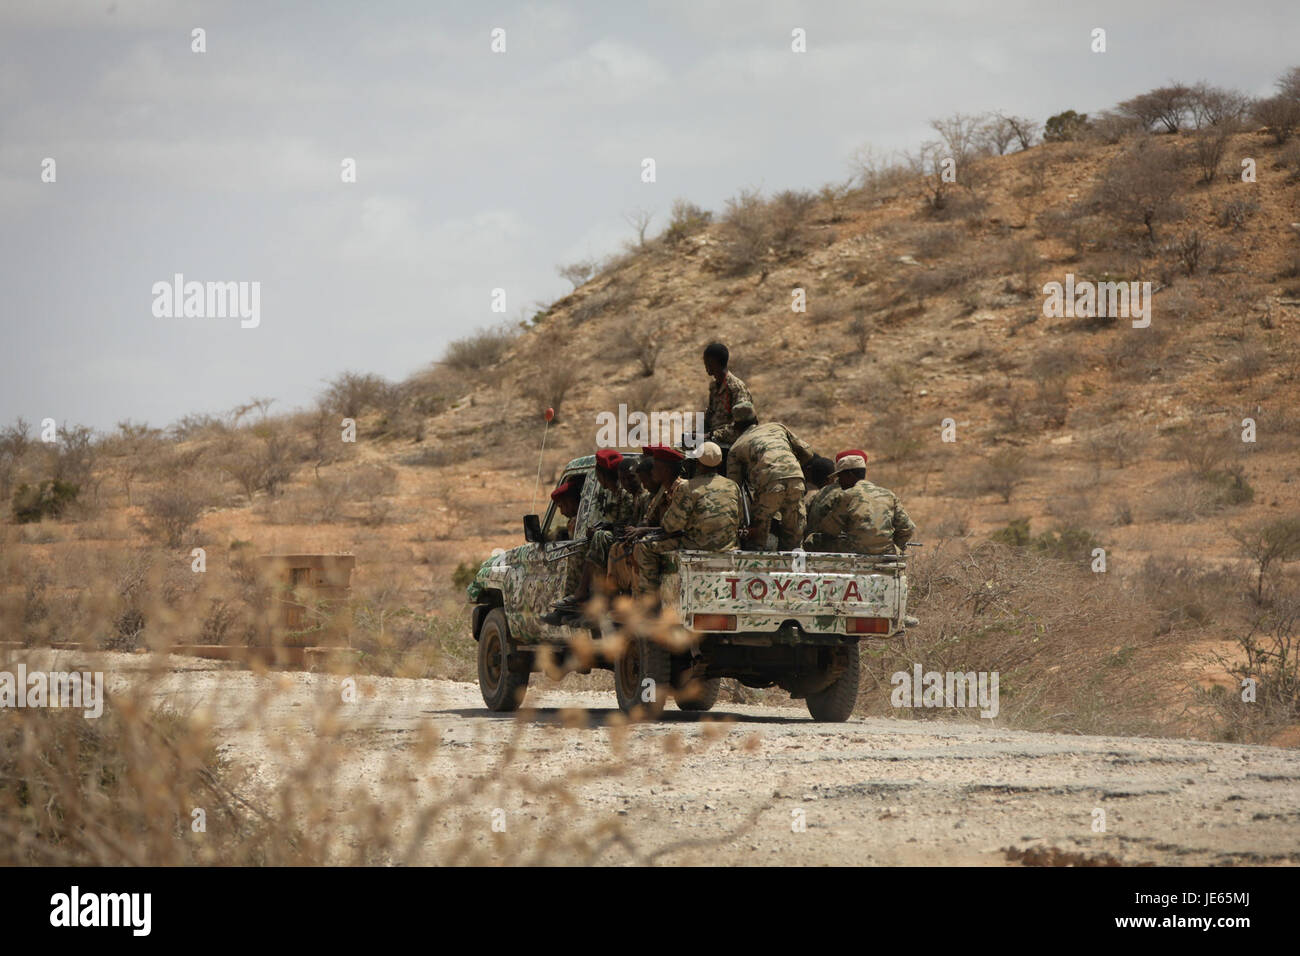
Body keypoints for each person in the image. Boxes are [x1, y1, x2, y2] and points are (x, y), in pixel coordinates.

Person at [634, 442, 741, 596]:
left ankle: (650, 600)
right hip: (728, 546)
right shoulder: (732, 486)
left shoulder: (689, 487)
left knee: (645, 547)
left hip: (697, 545)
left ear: (697, 463)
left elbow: (671, 525)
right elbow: (740, 517)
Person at [544, 449, 633, 624]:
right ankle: (574, 604)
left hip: (625, 541)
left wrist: (605, 529)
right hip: (615, 539)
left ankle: (584, 595)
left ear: (601, 474)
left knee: (599, 538)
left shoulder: (624, 494)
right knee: (581, 545)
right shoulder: (610, 493)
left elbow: (628, 522)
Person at [725, 401, 815, 550]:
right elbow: (808, 453)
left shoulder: (736, 447)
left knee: (757, 538)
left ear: (735, 427)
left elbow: (733, 487)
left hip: (769, 485)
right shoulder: (777, 427)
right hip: (796, 479)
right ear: (756, 419)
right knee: (793, 537)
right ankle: (792, 571)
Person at [821, 453, 915, 555]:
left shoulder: (847, 495)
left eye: (840, 477)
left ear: (850, 475)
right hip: (887, 553)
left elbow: (829, 529)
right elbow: (907, 527)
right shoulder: (889, 494)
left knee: (816, 540)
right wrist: (894, 546)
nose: (839, 482)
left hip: (855, 553)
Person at [702, 342, 752, 447]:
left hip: (732, 443)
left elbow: (741, 427)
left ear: (714, 362)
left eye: (707, 362)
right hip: (713, 439)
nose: (706, 366)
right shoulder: (714, 387)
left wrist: (710, 435)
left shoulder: (736, 388)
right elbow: (709, 417)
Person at [801, 455, 842, 551]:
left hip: (807, 548)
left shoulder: (805, 496)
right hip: (825, 549)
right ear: (830, 479)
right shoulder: (834, 496)